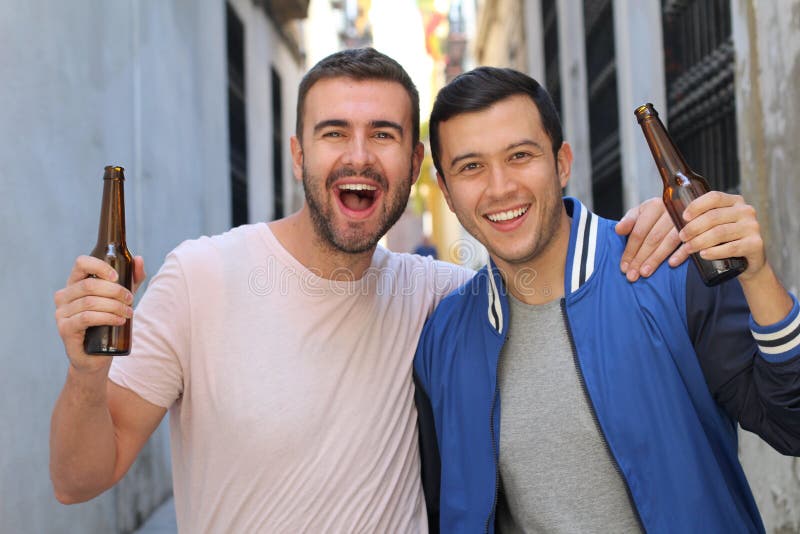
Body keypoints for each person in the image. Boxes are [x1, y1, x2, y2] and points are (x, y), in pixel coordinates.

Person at [51, 49, 676, 532]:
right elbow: (78, 480)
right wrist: (85, 375)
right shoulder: (200, 277)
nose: (359, 156)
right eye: (332, 133)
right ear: (298, 154)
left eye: (383, 133)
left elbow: (552, 268)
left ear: (415, 163)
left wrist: (647, 229)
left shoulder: (442, 297)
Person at [413, 66, 800, 533]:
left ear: (561, 163)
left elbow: (791, 425)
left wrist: (757, 277)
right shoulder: (444, 338)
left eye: (520, 155)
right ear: (447, 192)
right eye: (471, 166)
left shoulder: (670, 274)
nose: (500, 188)